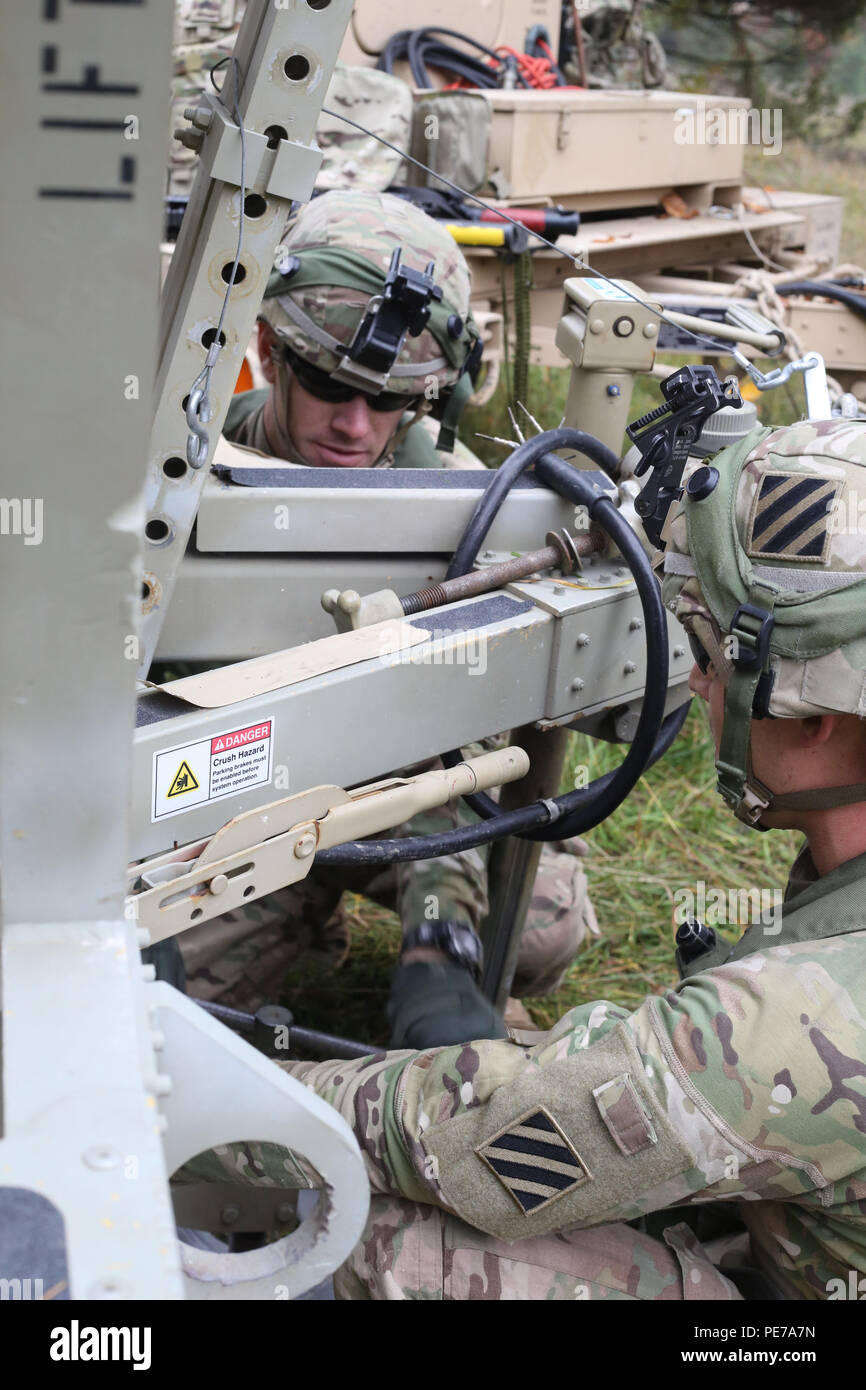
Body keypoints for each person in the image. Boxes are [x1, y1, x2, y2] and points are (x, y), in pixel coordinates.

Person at [228, 416, 866, 1300]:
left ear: (818, 713)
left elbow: (485, 1141)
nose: (697, 683)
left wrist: (215, 1106)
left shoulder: (794, 1022)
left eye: (711, 652)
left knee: (409, 1245)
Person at [167, 189, 599, 1045]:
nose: (357, 425)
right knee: (168, 993)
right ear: (268, 351)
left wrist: (440, 944)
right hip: (229, 792)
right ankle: (300, 916)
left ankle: (406, 946)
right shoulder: (185, 479)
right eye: (330, 385)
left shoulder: (463, 504)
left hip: (405, 787)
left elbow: (460, 751)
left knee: (545, 919)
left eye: (393, 399)